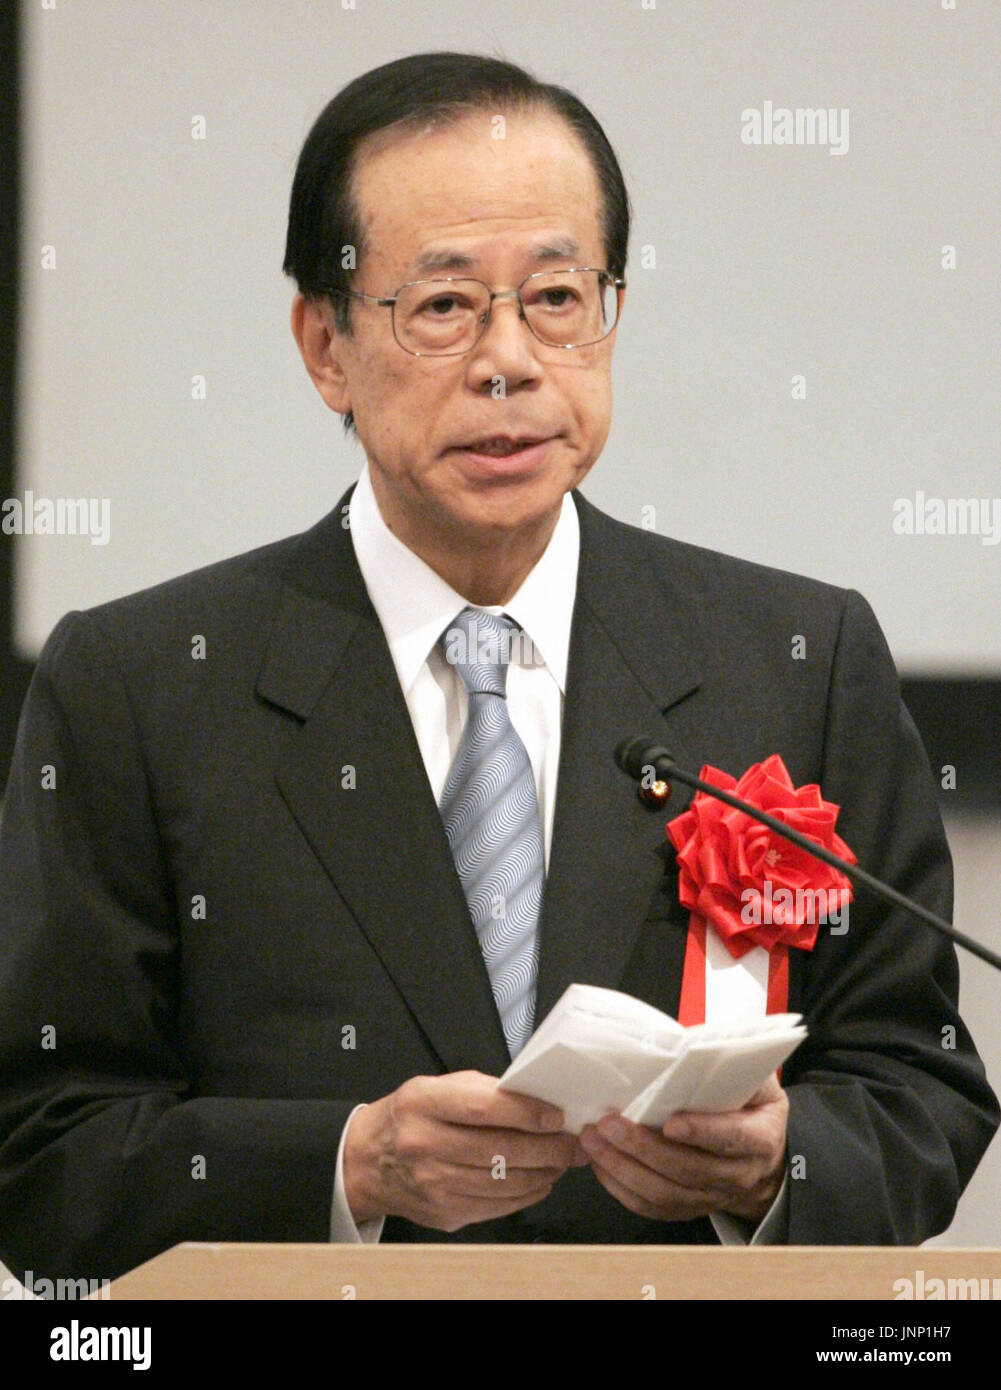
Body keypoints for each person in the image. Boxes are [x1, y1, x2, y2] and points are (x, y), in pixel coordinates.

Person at [0, 52, 996, 1285]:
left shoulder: (796, 657)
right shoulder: (140, 687)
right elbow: (39, 1147)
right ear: (324, 345)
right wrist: (349, 1165)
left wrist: (773, 1163)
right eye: (442, 306)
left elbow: (918, 1084)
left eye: (557, 299)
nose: (509, 360)